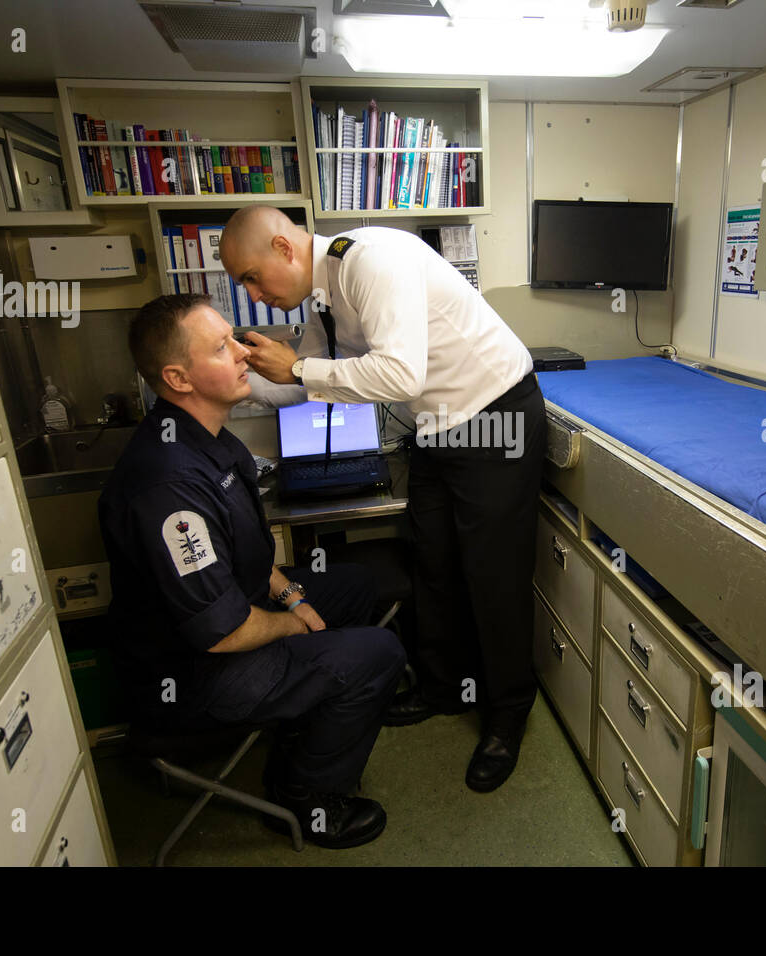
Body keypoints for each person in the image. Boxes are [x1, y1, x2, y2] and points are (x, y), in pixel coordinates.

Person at [219, 206, 546, 793]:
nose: (253, 294)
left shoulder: (370, 261)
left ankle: (507, 713)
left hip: (495, 416)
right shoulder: (322, 294)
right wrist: (237, 374)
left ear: (283, 248)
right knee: (434, 564)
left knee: (493, 577)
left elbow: (398, 377)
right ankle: (444, 687)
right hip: (438, 429)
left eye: (250, 276)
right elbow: (303, 386)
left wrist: (296, 365)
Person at [98, 293, 406, 849]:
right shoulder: (168, 486)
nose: (244, 353)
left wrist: (291, 597)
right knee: (379, 653)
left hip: (238, 615)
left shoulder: (213, 440)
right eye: (222, 348)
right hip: (196, 671)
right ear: (178, 377)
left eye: (234, 338)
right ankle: (305, 797)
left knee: (357, 585)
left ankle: (305, 717)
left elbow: (253, 557)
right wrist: (297, 623)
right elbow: (223, 633)